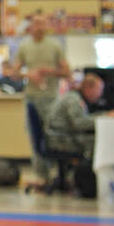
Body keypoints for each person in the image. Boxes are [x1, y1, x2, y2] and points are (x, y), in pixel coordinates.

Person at [16, 13, 71, 189]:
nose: (39, 27)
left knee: (54, 135)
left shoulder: (55, 46)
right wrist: (28, 74)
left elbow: (67, 73)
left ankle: (61, 174)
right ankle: (42, 176)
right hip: (32, 98)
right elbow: (13, 72)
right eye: (36, 24)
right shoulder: (24, 46)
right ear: (31, 26)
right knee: (34, 136)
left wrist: (48, 71)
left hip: (51, 98)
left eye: (42, 24)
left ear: (46, 26)